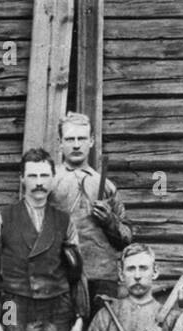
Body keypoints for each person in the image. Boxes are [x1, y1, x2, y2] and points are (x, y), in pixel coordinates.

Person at [0, 149, 83, 331]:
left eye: (44, 176)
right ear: (22, 179)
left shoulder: (64, 220)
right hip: (13, 304)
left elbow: (78, 272)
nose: (39, 183)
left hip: (58, 304)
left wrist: (79, 315)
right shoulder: (2, 216)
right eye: (33, 176)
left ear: (52, 178)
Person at [50, 112, 133, 319]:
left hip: (101, 275)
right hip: (60, 276)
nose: (76, 145)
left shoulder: (106, 186)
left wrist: (109, 221)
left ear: (91, 141)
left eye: (82, 139)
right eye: (70, 139)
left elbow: (127, 238)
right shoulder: (49, 182)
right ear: (60, 143)